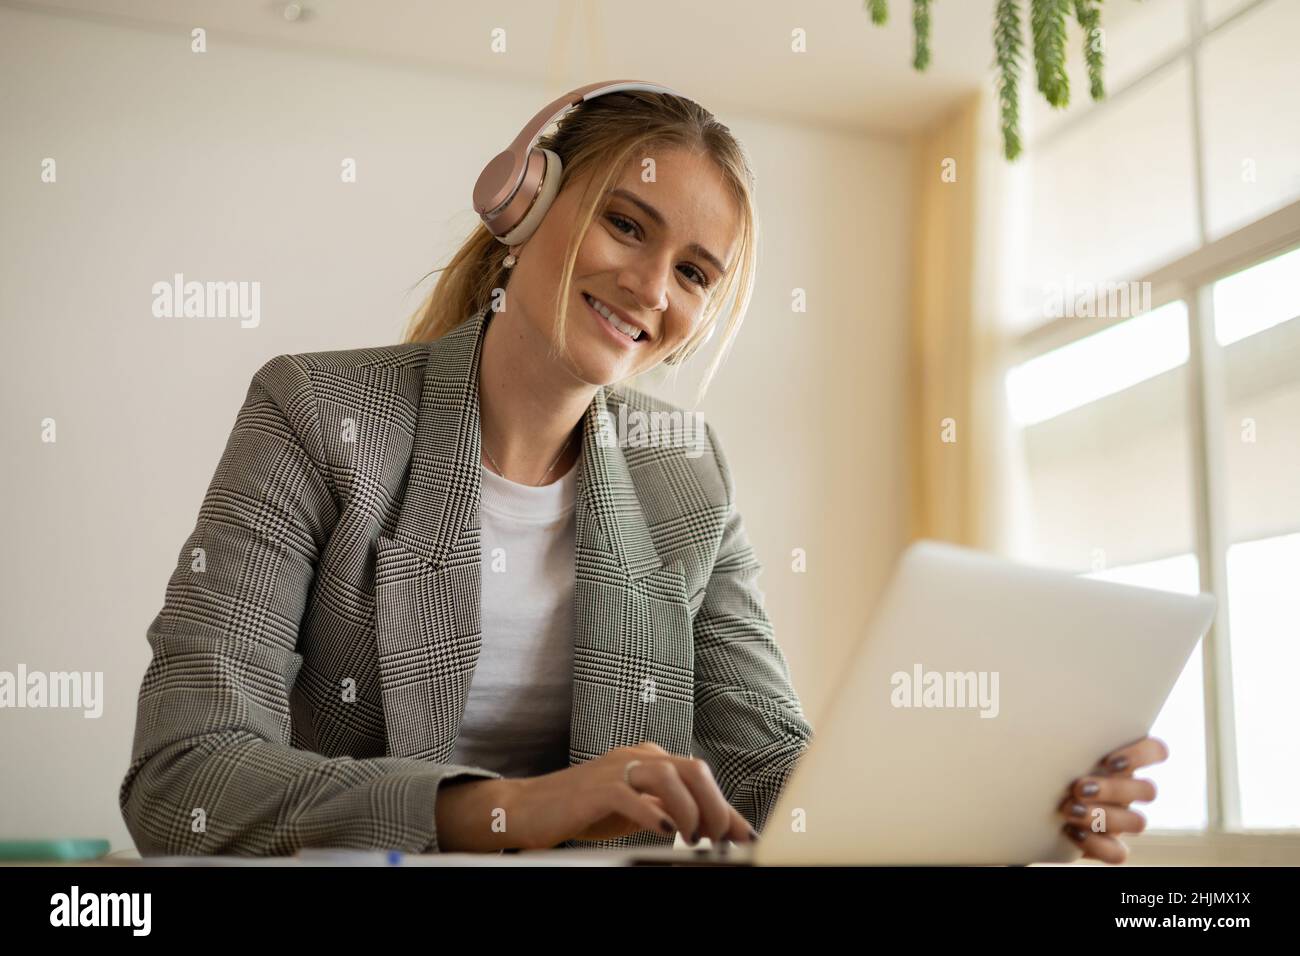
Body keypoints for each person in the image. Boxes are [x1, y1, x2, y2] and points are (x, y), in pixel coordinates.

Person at [119, 82, 1164, 861]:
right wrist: (513, 808)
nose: (650, 285)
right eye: (627, 222)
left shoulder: (684, 474)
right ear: (522, 208)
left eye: (695, 273)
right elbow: (184, 777)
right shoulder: (320, 412)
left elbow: (766, 771)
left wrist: (1011, 800)